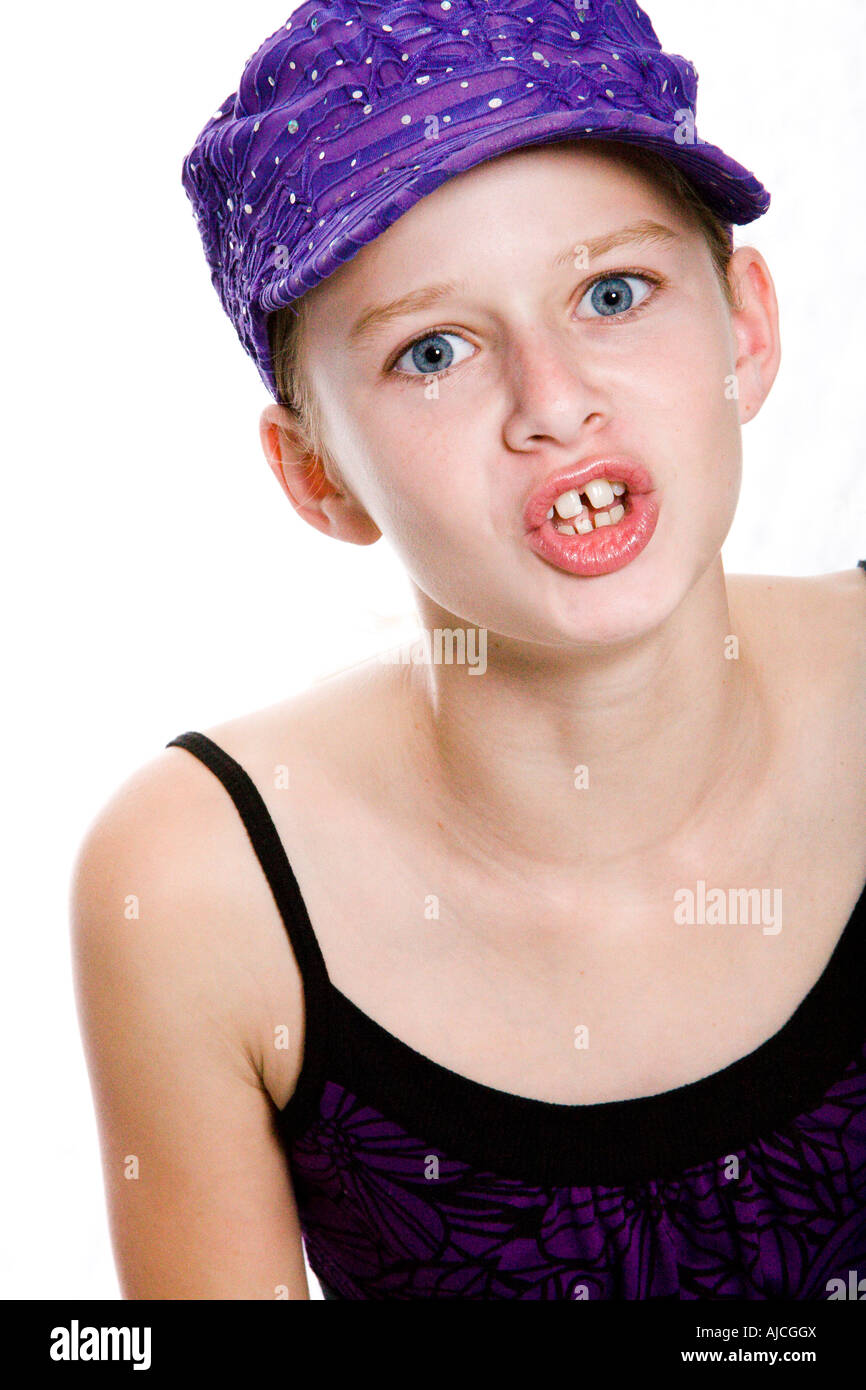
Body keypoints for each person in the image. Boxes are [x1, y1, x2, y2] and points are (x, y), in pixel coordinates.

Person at [71, 0, 866, 1300]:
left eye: (613, 291)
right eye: (432, 352)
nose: (553, 404)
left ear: (745, 325)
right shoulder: (202, 889)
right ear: (314, 473)